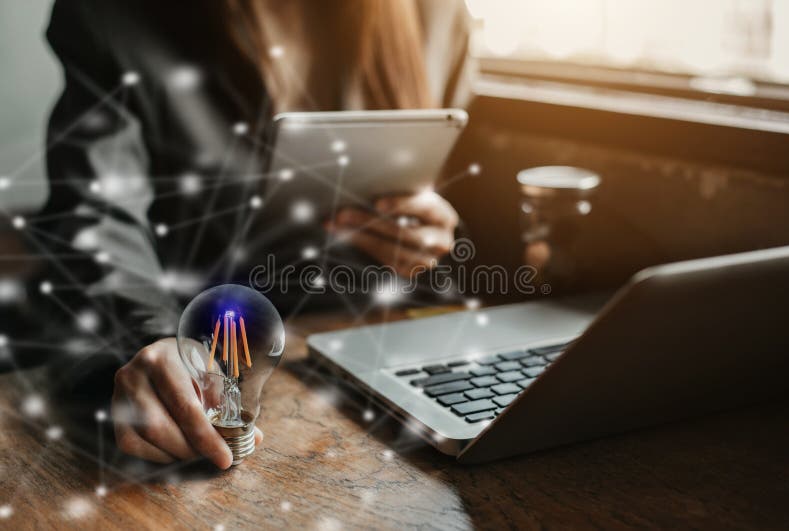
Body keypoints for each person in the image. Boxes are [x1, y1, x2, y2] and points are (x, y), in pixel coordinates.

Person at [38, 0, 473, 468]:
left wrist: (430, 234)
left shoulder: (437, 15)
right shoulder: (112, 16)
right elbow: (97, 214)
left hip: (388, 349)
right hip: (209, 355)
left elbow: (442, 196)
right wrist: (153, 336)